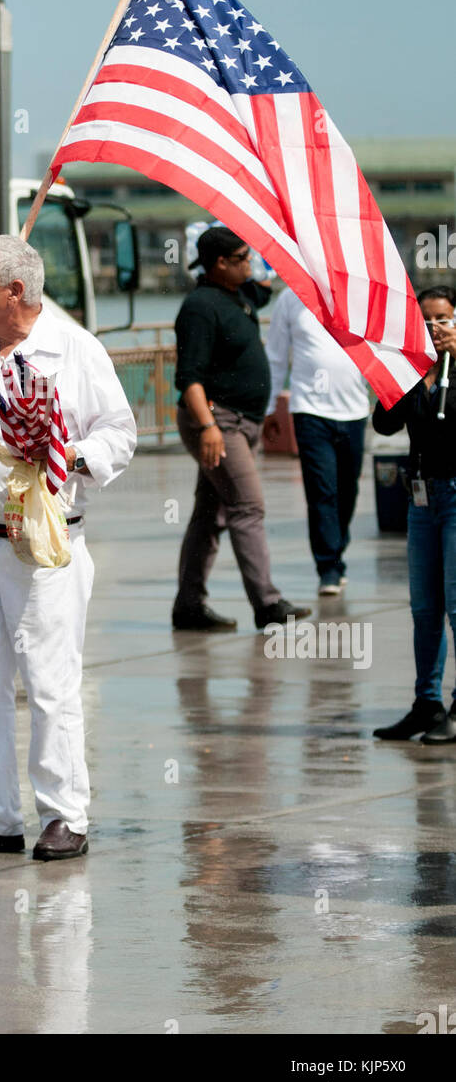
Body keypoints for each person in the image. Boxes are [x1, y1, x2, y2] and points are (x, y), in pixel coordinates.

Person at [0, 235, 136, 861]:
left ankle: (65, 815)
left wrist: (70, 458)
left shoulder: (73, 349)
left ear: (16, 291)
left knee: (49, 683)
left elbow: (120, 432)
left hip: (43, 545)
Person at [172, 226, 311, 631]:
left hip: (241, 421)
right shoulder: (200, 307)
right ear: (220, 263)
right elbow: (189, 378)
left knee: (209, 514)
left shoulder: (242, 295)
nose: (252, 264)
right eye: (243, 257)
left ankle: (188, 605)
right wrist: (209, 427)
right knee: (248, 506)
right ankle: (267, 603)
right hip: (217, 422)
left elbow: (267, 283)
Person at [372, 286, 456, 743]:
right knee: (425, 609)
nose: (435, 330)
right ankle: (426, 703)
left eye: (443, 319)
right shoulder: (411, 371)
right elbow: (383, 425)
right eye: (424, 322)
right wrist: (396, 375)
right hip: (422, 498)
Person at [263, 287, 370, 596]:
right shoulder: (290, 298)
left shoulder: (359, 293)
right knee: (322, 490)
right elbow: (276, 357)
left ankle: (337, 546)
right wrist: (270, 408)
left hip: (354, 410)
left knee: (348, 488)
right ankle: (329, 566)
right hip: (309, 411)